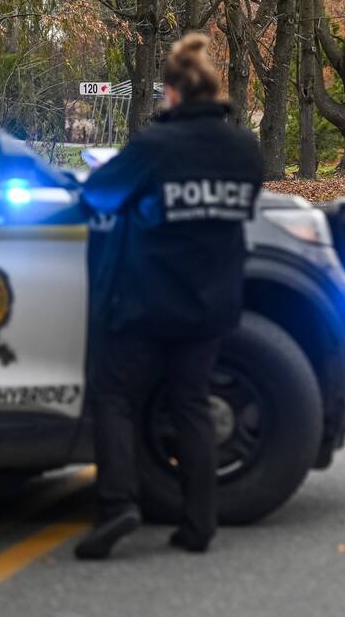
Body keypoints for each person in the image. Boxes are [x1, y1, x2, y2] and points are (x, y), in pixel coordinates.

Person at [75, 32, 264, 560]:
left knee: (113, 398)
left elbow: (98, 194)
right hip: (211, 304)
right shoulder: (244, 149)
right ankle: (200, 523)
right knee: (192, 405)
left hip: (145, 301)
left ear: (174, 94)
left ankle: (117, 507)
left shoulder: (156, 147)